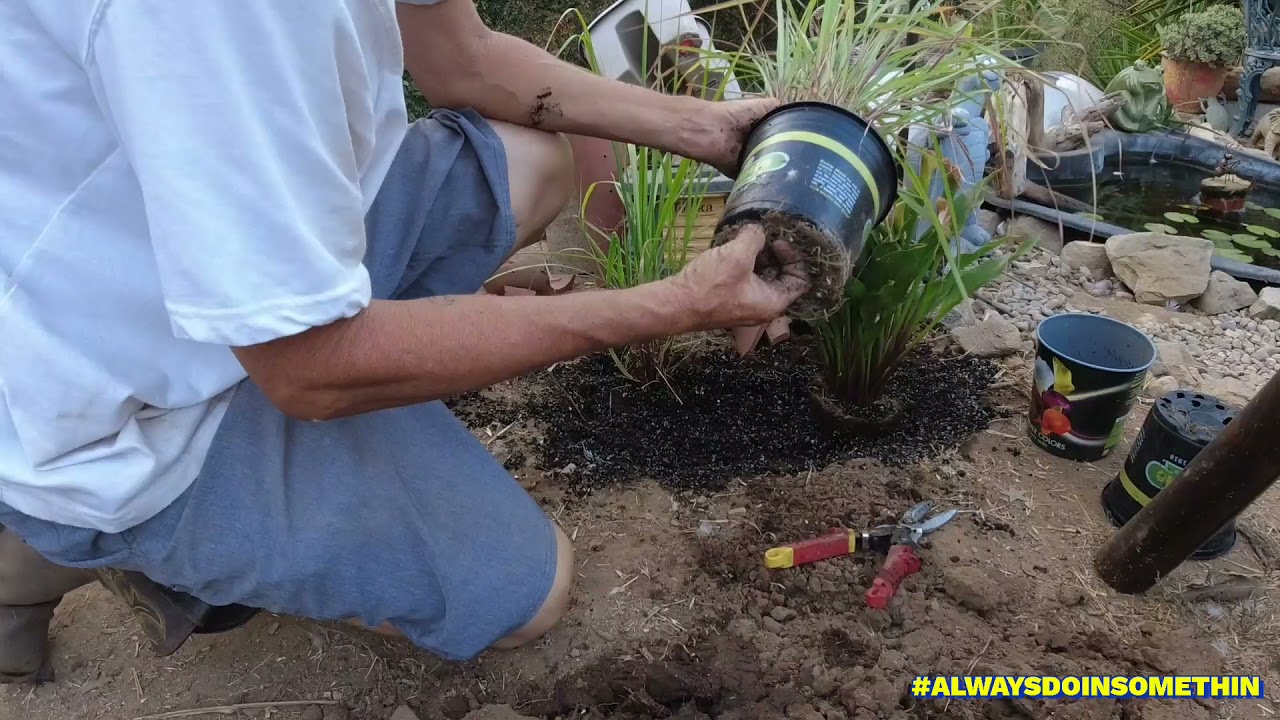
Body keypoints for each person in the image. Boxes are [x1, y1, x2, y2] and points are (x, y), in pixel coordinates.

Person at [0, 0, 808, 683]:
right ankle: (62, 548)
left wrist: (711, 129)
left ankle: (329, 467)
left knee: (532, 164)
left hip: (262, 258)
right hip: (123, 409)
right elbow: (308, 369)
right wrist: (668, 306)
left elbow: (464, 57)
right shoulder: (210, 20)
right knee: (526, 593)